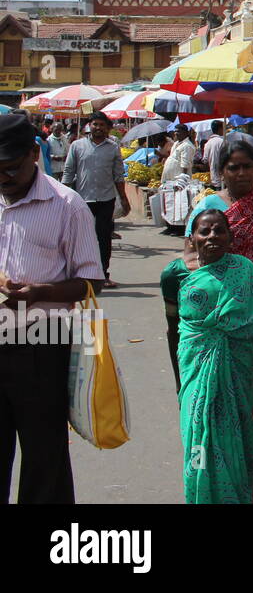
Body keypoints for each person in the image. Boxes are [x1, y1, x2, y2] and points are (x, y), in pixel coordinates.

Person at [163, 138, 253, 502]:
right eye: (232, 167)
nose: (240, 173)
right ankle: (234, 479)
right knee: (228, 406)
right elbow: (191, 260)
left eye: (247, 165)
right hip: (221, 318)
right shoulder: (209, 206)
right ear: (221, 171)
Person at [0, 112, 104, 503]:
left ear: (33, 154)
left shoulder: (68, 206)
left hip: (41, 345)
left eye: (10, 169)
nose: (3, 179)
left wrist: (39, 290)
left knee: (44, 456)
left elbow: (90, 281)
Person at [166, 208, 253, 504]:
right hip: (195, 368)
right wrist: (180, 381)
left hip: (239, 366)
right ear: (192, 238)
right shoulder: (175, 274)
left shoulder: (244, 270)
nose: (212, 237)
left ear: (231, 237)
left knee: (238, 434)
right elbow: (174, 329)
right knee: (198, 434)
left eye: (219, 230)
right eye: (204, 231)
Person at [62, 110, 127, 289]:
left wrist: (124, 198)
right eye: (95, 124)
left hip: (106, 199)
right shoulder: (77, 146)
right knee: (81, 238)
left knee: (104, 238)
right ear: (89, 126)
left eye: (101, 125)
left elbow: (119, 175)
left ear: (107, 128)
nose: (98, 128)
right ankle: (81, 274)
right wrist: (64, 195)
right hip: (83, 200)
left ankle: (103, 274)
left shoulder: (113, 147)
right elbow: (69, 172)